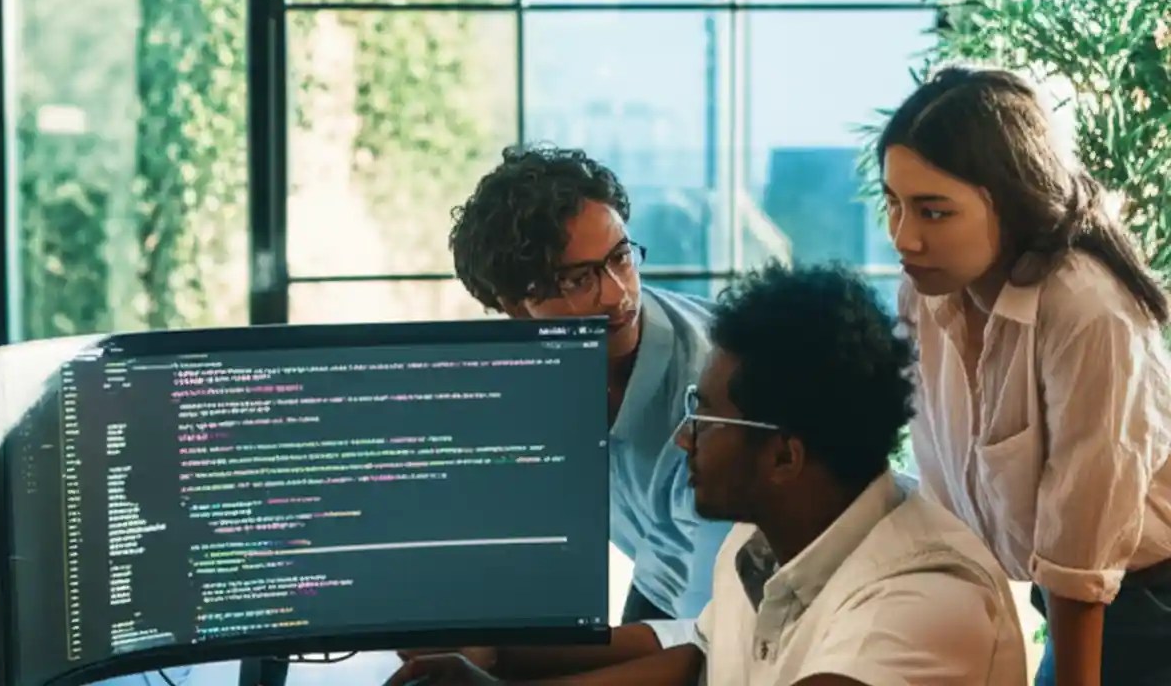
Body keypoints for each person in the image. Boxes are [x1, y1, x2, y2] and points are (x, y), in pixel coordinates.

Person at [388, 263, 1027, 686]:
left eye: (707, 415)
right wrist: (496, 668)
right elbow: (699, 658)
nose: (682, 436)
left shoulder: (923, 599)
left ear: (785, 457)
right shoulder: (763, 544)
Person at [881, 65, 1171, 686]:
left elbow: (1081, 549)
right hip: (1071, 601)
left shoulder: (1087, 309)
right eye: (894, 204)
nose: (904, 238)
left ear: (1011, 200)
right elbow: (936, 485)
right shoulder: (925, 298)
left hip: (1145, 603)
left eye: (934, 212)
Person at [448, 145, 728, 633]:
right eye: (579, 279)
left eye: (621, 258)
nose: (618, 294)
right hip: (660, 573)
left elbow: (708, 632)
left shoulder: (710, 383)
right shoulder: (526, 372)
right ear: (517, 305)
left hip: (747, 596)